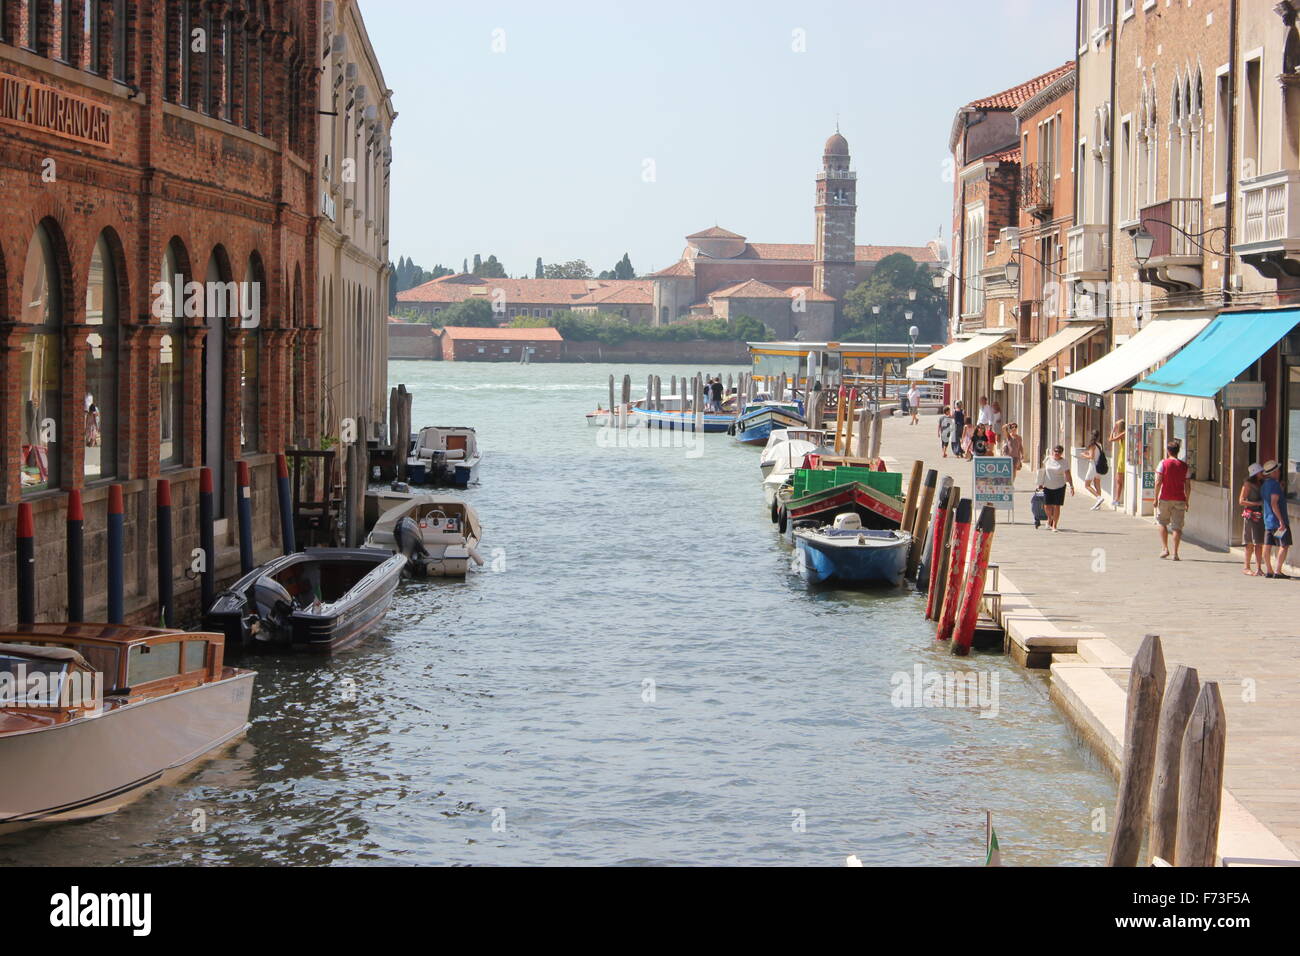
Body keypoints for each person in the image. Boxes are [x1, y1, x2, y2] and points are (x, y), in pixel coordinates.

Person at [1153, 441, 1190, 561]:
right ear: (1178, 451)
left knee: (1162, 522)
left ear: (1168, 451)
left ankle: (1165, 548)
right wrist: (1187, 500)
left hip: (1165, 497)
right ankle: (1175, 553)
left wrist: (1155, 498)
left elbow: (1158, 481)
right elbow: (1188, 485)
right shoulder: (1184, 466)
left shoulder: (1163, 463)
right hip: (1180, 499)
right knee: (1177, 527)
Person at [1260, 460, 1290, 579]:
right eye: (1278, 470)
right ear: (1274, 472)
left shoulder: (1264, 485)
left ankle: (1269, 570)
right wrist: (1281, 521)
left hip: (1268, 520)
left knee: (1267, 545)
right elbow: (1274, 503)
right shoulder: (1275, 485)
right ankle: (1277, 570)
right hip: (1278, 521)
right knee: (1284, 545)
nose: (1279, 472)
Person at [1036, 445, 1074, 532]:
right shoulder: (1048, 459)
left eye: (1059, 452)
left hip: (1060, 486)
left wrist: (1071, 486)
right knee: (1046, 506)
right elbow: (1042, 471)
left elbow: (1067, 473)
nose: (1057, 453)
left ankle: (1054, 525)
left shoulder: (1064, 462)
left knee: (1057, 506)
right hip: (1047, 486)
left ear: (1061, 453)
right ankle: (1050, 518)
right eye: (1056, 451)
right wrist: (1040, 483)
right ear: (1053, 451)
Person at [1240, 462, 1266, 577]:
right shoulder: (1248, 484)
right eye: (1260, 472)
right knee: (1249, 542)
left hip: (1259, 515)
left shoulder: (1262, 483)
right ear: (1256, 473)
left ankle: (1259, 568)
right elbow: (1241, 501)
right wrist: (1256, 503)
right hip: (1250, 516)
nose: (1262, 473)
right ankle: (1246, 567)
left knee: (1259, 542)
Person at [1080, 429, 1105, 510]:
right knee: (1097, 483)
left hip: (1093, 466)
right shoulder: (1099, 445)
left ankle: (1098, 498)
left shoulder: (1092, 445)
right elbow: (1095, 454)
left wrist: (1084, 455)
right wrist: (1088, 453)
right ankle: (1098, 505)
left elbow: (1091, 457)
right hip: (1099, 467)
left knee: (1087, 485)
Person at [1108, 420, 1126, 509]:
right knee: (1118, 479)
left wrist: (1113, 430)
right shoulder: (1123, 433)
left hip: (1122, 458)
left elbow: (1110, 439)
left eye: (1117, 426)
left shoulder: (1124, 433)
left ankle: (1117, 499)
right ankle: (1117, 499)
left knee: (1119, 480)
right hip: (1121, 457)